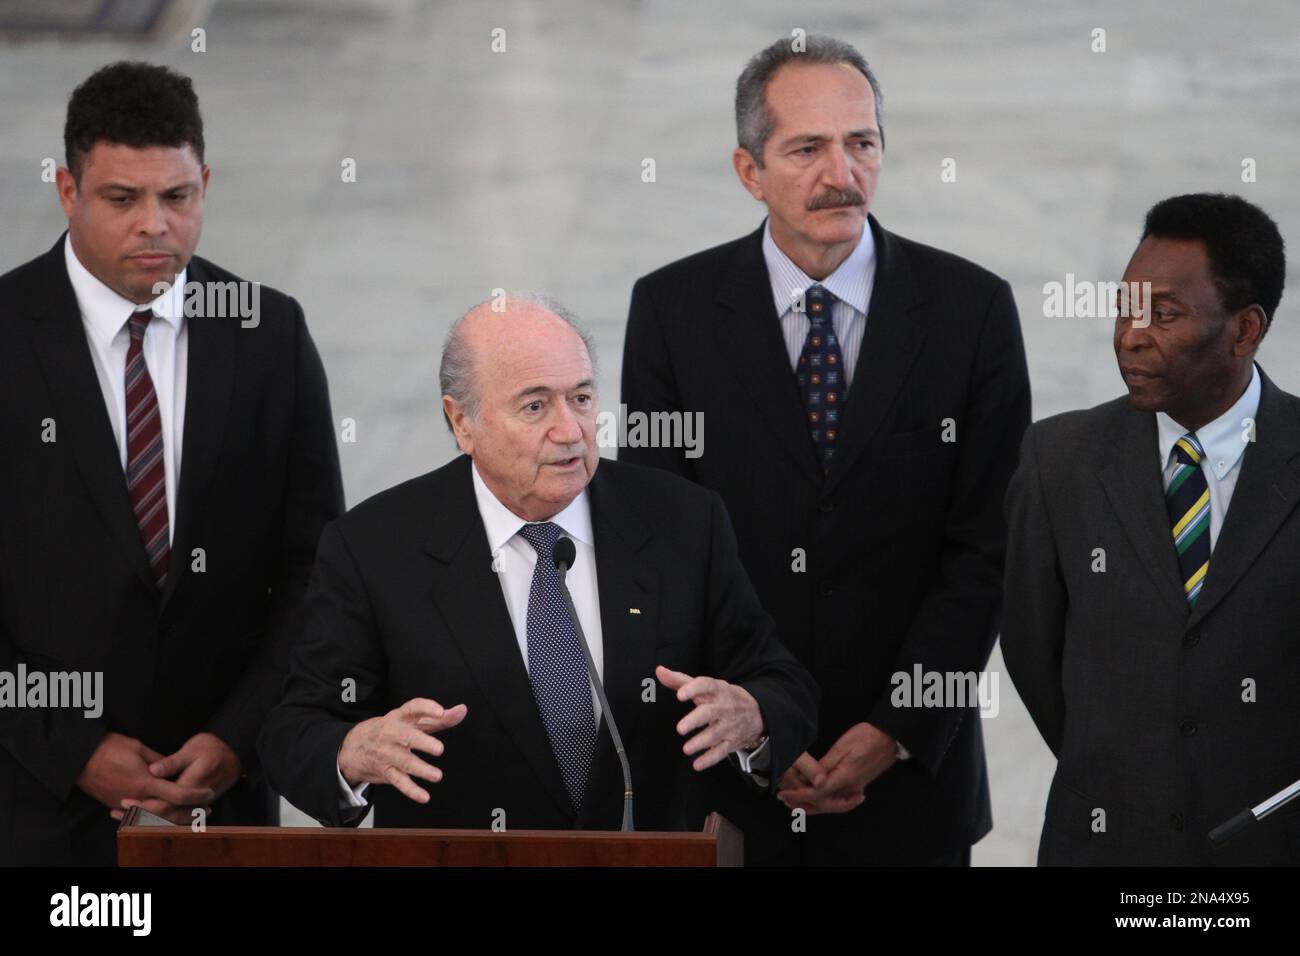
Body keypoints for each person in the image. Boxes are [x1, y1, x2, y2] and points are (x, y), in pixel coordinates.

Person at [619, 35, 1031, 864]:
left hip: (913, 784)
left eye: (862, 143)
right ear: (749, 170)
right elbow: (656, 546)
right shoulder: (671, 311)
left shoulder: (972, 310)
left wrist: (895, 729)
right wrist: (762, 722)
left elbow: (990, 549)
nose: (841, 172)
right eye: (807, 148)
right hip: (729, 785)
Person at [258, 296, 818, 835]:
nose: (570, 430)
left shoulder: (684, 521)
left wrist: (753, 716)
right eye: (535, 405)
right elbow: (294, 731)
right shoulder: (374, 547)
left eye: (580, 397)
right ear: (462, 423)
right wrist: (353, 751)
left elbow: (780, 681)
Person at [0, 61, 344, 865]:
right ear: (66, 191)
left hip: (220, 807)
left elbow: (317, 570)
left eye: (177, 197)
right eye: (122, 199)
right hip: (32, 809)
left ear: (206, 184)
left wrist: (238, 736)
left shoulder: (270, 336)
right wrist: (70, 747)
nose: (154, 225)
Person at [1003, 192, 1300, 866]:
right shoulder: (1060, 462)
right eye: (1126, 308)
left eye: (1163, 315)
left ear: (1245, 330)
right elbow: (1033, 652)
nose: (1130, 335)